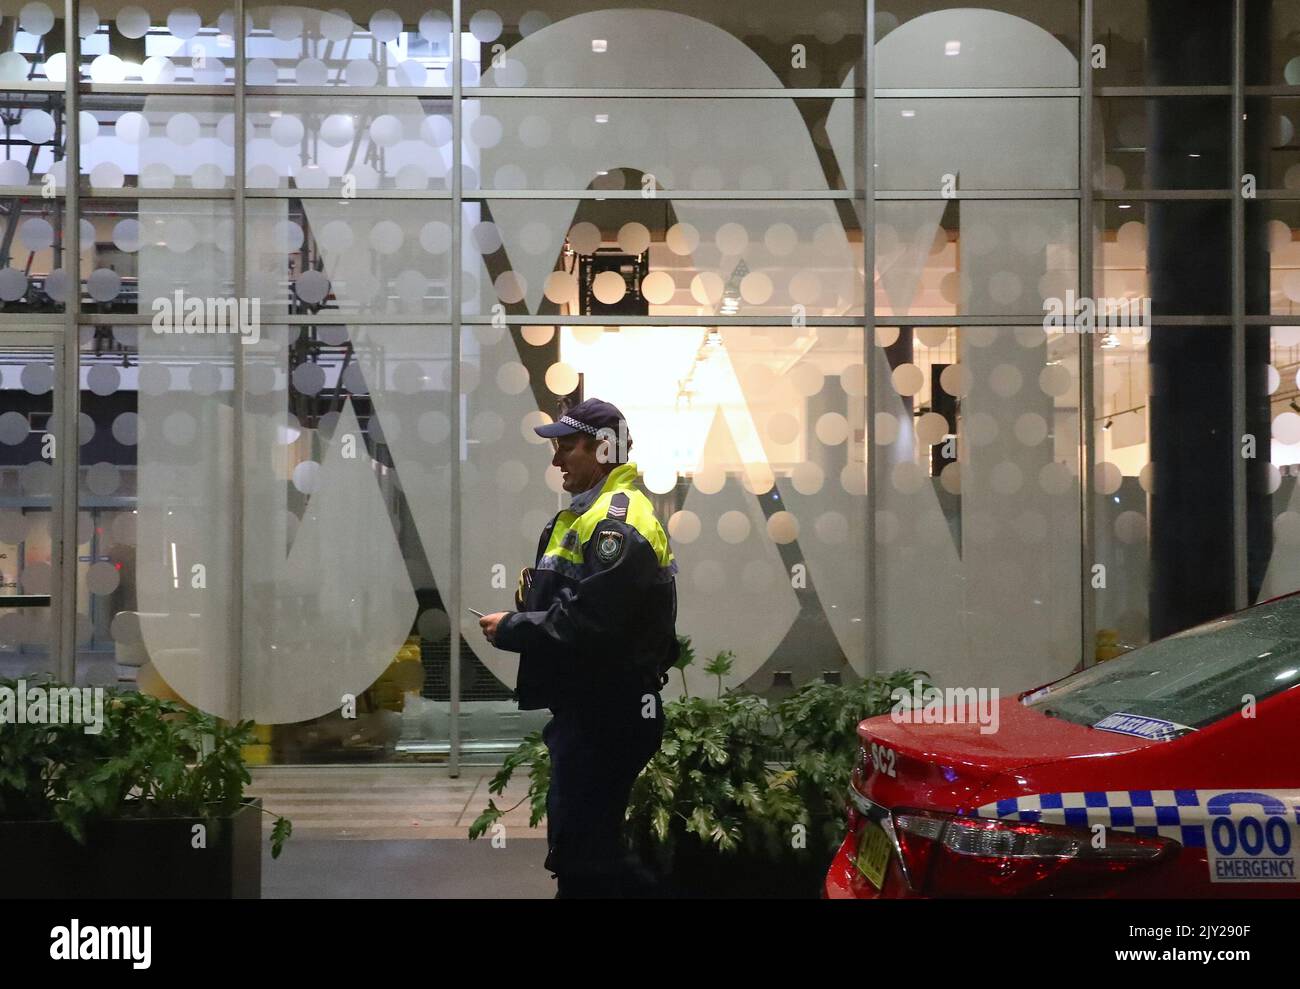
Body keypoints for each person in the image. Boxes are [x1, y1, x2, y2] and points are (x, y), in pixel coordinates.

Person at [478, 398, 678, 898]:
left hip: (608, 712)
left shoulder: (618, 522)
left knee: (590, 853)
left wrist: (513, 628)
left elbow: (592, 622)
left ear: (603, 448)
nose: (555, 460)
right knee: (583, 846)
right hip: (588, 710)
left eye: (566, 447)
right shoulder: (582, 517)